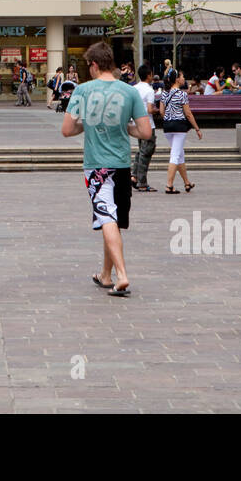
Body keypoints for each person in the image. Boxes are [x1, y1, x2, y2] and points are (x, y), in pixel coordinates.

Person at [61, 41, 152, 299]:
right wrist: (125, 127)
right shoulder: (130, 91)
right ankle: (105, 274)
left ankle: (122, 275)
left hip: (97, 167)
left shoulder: (83, 91)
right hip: (122, 164)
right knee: (112, 219)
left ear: (93, 64)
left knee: (107, 218)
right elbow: (145, 131)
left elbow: (67, 130)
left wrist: (88, 125)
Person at [158, 68, 202, 194]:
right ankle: (169, 185)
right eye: (182, 77)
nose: (184, 79)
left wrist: (169, 117)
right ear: (177, 79)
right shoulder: (182, 94)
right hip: (179, 127)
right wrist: (197, 128)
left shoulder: (164, 94)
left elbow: (161, 111)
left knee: (179, 154)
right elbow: (188, 114)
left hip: (167, 127)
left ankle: (187, 183)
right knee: (175, 155)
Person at [131, 63, 158, 193]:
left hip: (136, 123)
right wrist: (157, 110)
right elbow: (149, 109)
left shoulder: (134, 88)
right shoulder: (149, 90)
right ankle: (142, 182)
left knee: (141, 150)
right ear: (149, 75)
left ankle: (134, 176)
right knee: (146, 152)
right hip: (148, 124)